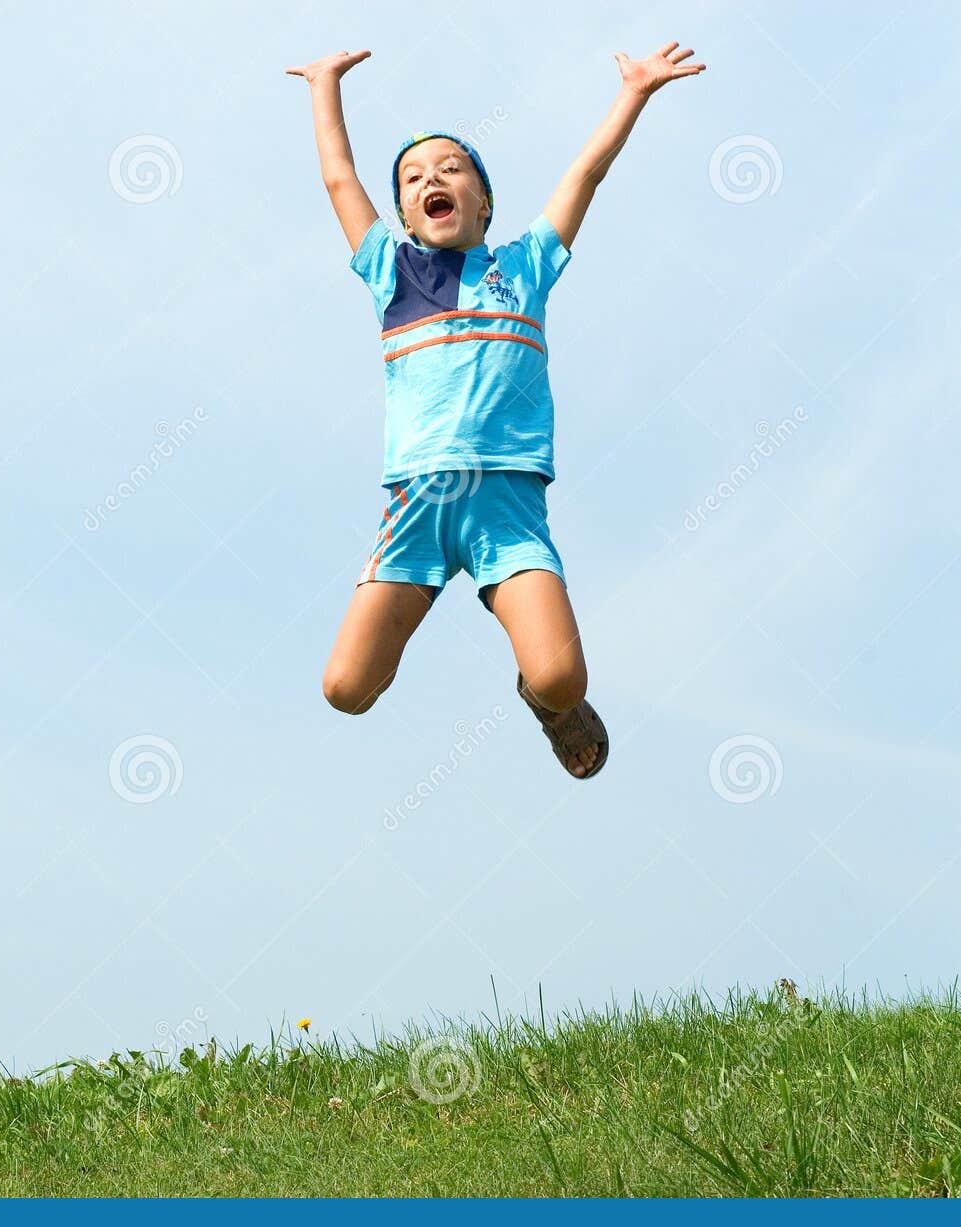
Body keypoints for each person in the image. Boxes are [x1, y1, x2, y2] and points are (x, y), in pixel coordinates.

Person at [286, 42, 705, 777]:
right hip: (416, 507)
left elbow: (586, 173)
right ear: (406, 216)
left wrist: (635, 92)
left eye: (451, 168)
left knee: (561, 677)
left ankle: (548, 704)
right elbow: (336, 176)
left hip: (506, 509)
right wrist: (323, 86)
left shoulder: (524, 265)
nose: (431, 180)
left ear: (483, 199)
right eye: (413, 179)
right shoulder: (392, 270)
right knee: (345, 691)